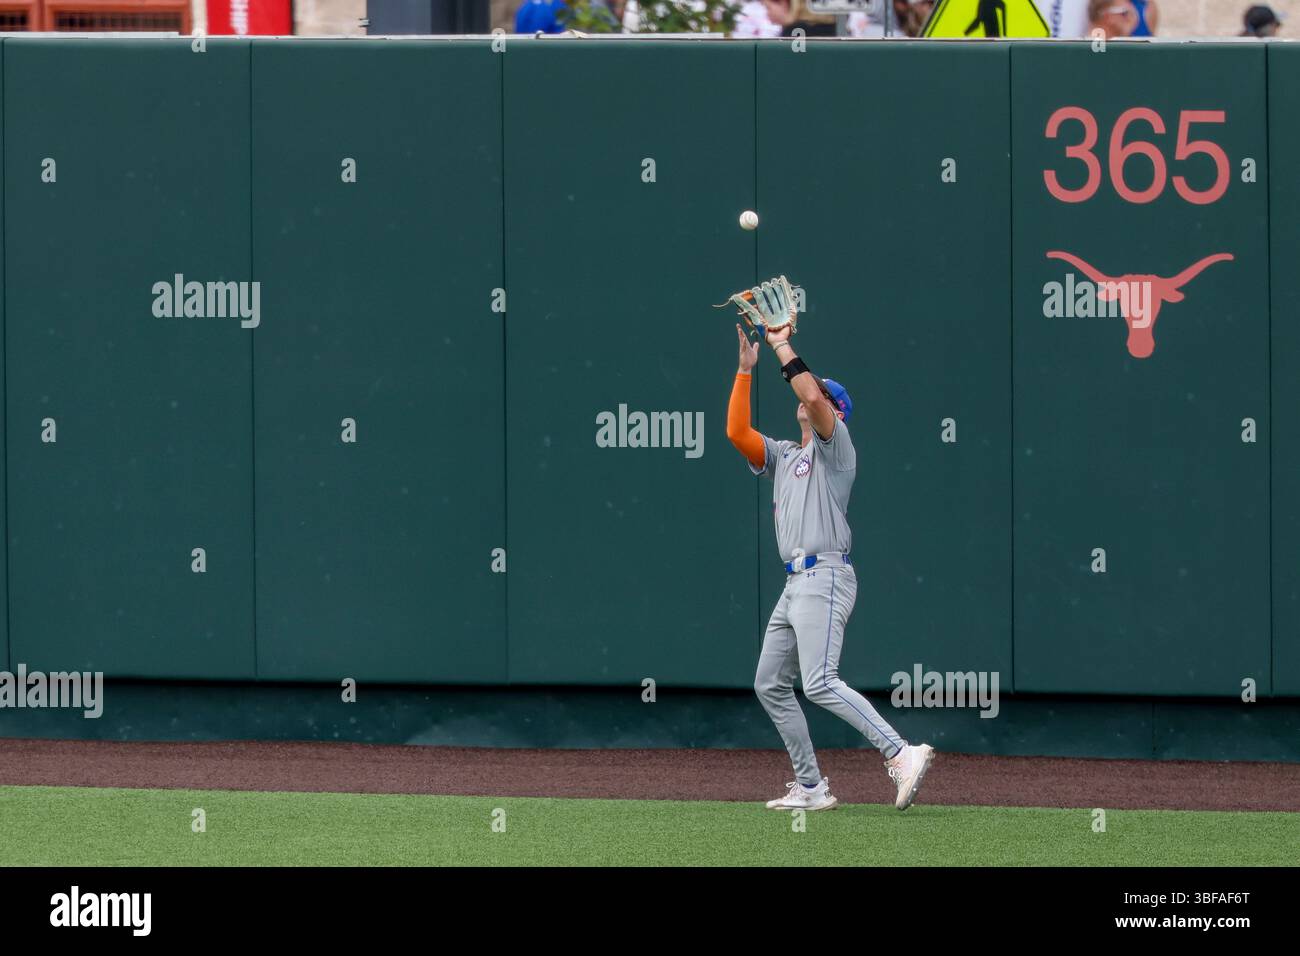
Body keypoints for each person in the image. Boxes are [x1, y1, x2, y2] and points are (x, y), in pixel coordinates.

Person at [726, 320, 935, 812]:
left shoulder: (836, 446)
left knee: (819, 680)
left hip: (826, 575)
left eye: (818, 394)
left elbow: (816, 400)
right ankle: (813, 788)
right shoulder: (782, 455)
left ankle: (902, 753)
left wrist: (780, 343)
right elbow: (736, 431)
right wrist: (743, 372)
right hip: (795, 584)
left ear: (835, 411)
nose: (808, 397)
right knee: (770, 684)